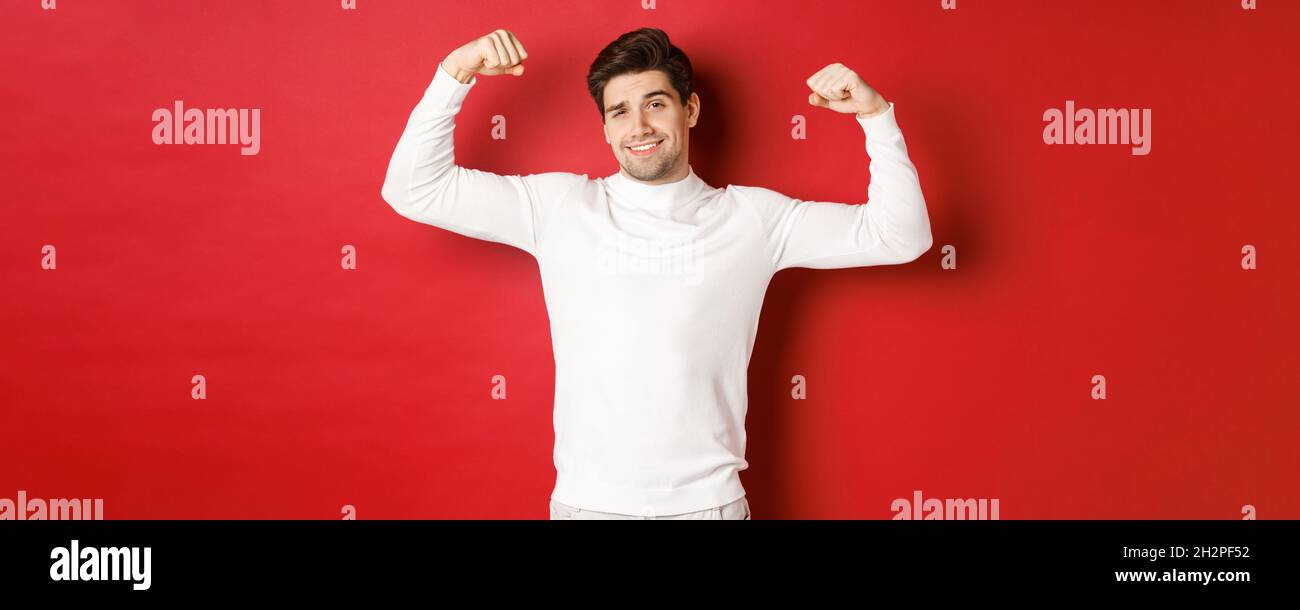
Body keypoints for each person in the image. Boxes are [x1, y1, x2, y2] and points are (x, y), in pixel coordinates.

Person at [381, 27, 933, 520]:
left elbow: (900, 237)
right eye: (619, 111)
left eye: (655, 103)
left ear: (689, 110)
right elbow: (414, 189)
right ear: (604, 127)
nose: (639, 125)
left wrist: (876, 117)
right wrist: (455, 73)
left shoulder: (755, 219)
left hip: (707, 506)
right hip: (587, 505)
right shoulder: (558, 207)